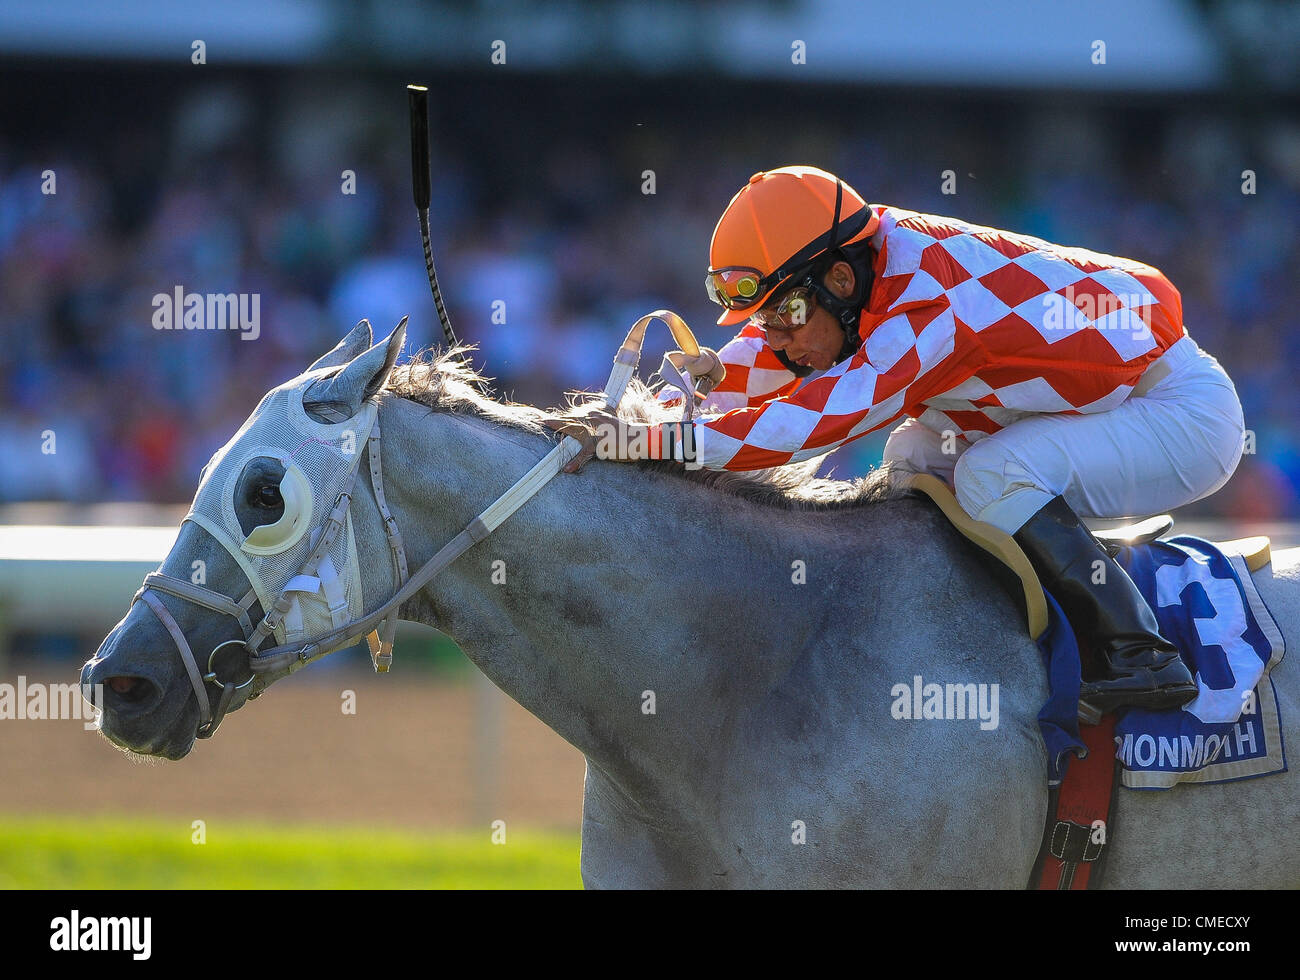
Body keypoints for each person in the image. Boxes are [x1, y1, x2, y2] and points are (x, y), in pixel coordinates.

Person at [544, 165, 1246, 713]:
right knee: (913, 456)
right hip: (1103, 402)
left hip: (1179, 412)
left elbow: (810, 422)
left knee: (993, 473)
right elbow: (789, 354)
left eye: (784, 313)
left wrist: (648, 442)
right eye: (765, 320)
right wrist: (674, 401)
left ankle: (1142, 656)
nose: (777, 337)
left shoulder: (927, 308)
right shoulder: (863, 274)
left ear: (841, 279)